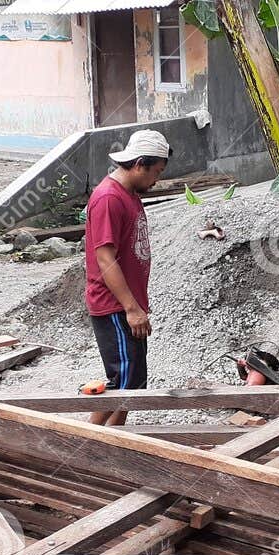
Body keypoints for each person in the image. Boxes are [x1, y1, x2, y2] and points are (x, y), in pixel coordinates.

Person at [85, 129, 168, 427]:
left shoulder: (129, 194)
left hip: (129, 305)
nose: (156, 179)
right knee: (121, 379)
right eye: (155, 171)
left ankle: (114, 441)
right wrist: (131, 309)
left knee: (132, 381)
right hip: (114, 305)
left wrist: (137, 306)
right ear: (139, 164)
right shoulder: (109, 198)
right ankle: (87, 441)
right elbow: (105, 258)